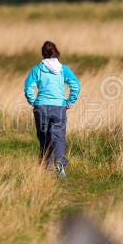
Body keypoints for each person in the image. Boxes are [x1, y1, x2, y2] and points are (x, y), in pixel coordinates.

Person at [23, 41, 80, 178]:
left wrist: (34, 102)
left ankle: (45, 169)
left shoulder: (37, 69)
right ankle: (59, 161)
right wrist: (69, 101)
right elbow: (75, 85)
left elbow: (28, 88)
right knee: (58, 137)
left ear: (43, 54)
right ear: (57, 53)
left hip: (41, 107)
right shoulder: (63, 69)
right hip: (59, 107)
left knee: (44, 138)